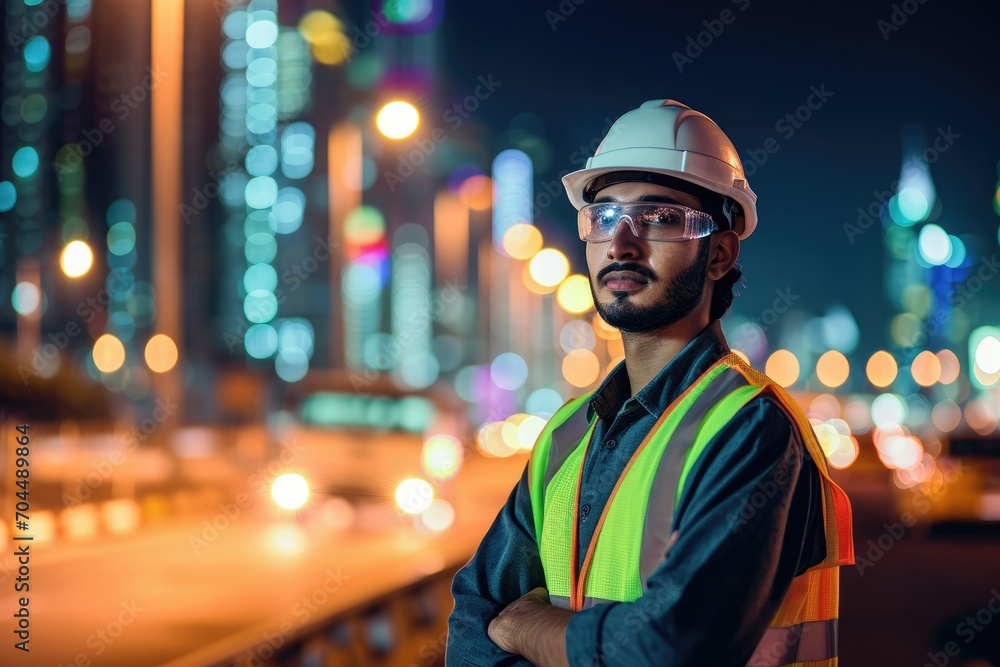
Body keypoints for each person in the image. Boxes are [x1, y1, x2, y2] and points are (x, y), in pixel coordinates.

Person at [445, 99, 855, 667]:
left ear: (719, 254)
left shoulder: (751, 429)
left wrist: (524, 626)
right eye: (604, 218)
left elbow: (669, 649)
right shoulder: (566, 435)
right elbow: (472, 623)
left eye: (659, 218)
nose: (621, 243)